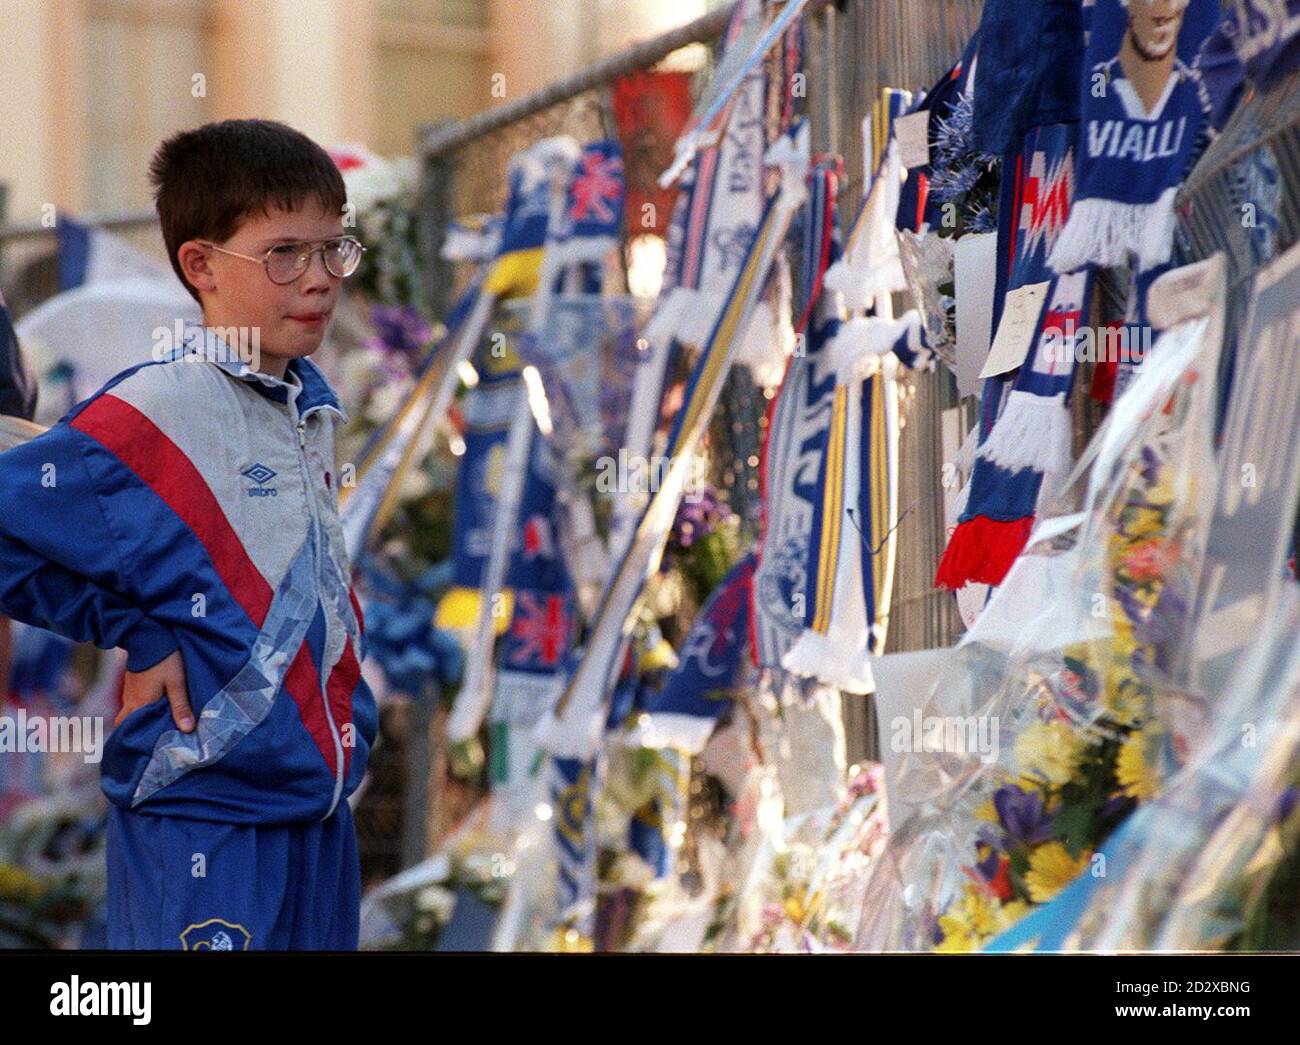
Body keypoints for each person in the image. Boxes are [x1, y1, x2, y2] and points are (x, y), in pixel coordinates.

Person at [0, 119, 377, 950]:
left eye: (332, 249)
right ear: (200, 265)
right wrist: (128, 627)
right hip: (207, 825)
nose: (317, 280)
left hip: (315, 818)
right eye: (283, 254)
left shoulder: (303, 403)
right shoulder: (160, 409)